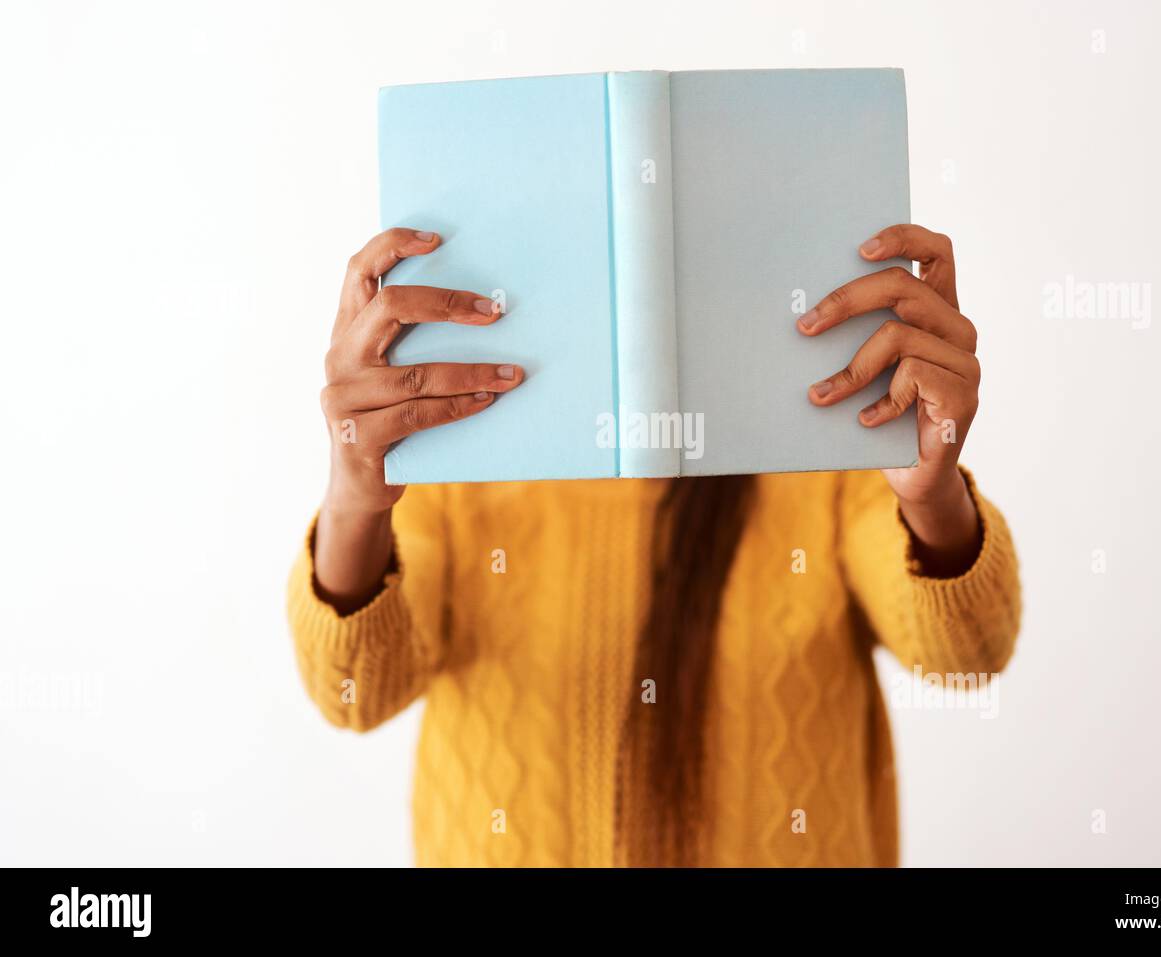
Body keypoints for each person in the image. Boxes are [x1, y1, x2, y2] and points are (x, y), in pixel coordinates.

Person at [287, 222, 1021, 866]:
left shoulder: (822, 442)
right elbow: (354, 690)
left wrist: (929, 490)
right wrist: (356, 494)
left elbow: (967, 651)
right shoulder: (465, 450)